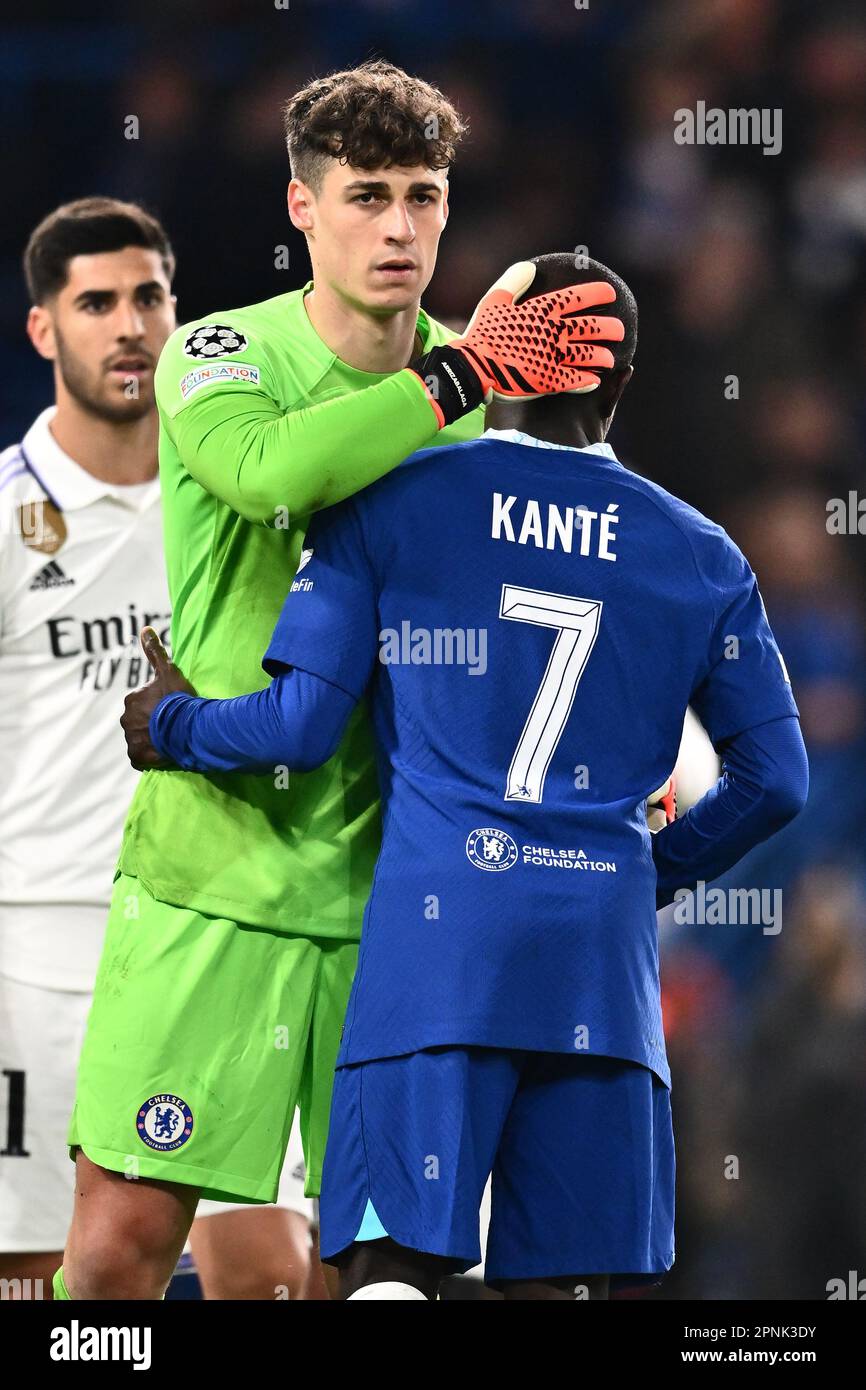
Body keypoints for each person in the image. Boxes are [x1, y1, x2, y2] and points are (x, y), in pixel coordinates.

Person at [123, 253, 809, 1300]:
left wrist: (172, 720)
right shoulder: (701, 552)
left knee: (390, 1275)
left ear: (490, 356)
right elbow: (773, 780)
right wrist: (644, 873)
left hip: (433, 962)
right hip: (601, 977)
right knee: (563, 1288)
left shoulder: (394, 498)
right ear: (617, 382)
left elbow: (301, 727)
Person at [55, 62, 621, 1302]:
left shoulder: (476, 396)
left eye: (424, 196)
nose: (401, 227)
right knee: (115, 1251)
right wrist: (465, 378)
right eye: (367, 196)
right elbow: (275, 475)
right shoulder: (217, 358)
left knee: (354, 1274)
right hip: (217, 876)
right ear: (303, 207)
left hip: (396, 905)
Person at [0, 197, 315, 1303]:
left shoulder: (242, 499)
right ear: (44, 329)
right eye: (95, 303)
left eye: (148, 297)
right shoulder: (4, 519)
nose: (128, 325)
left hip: (210, 927)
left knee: (273, 1271)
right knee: (48, 1281)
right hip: (39, 945)